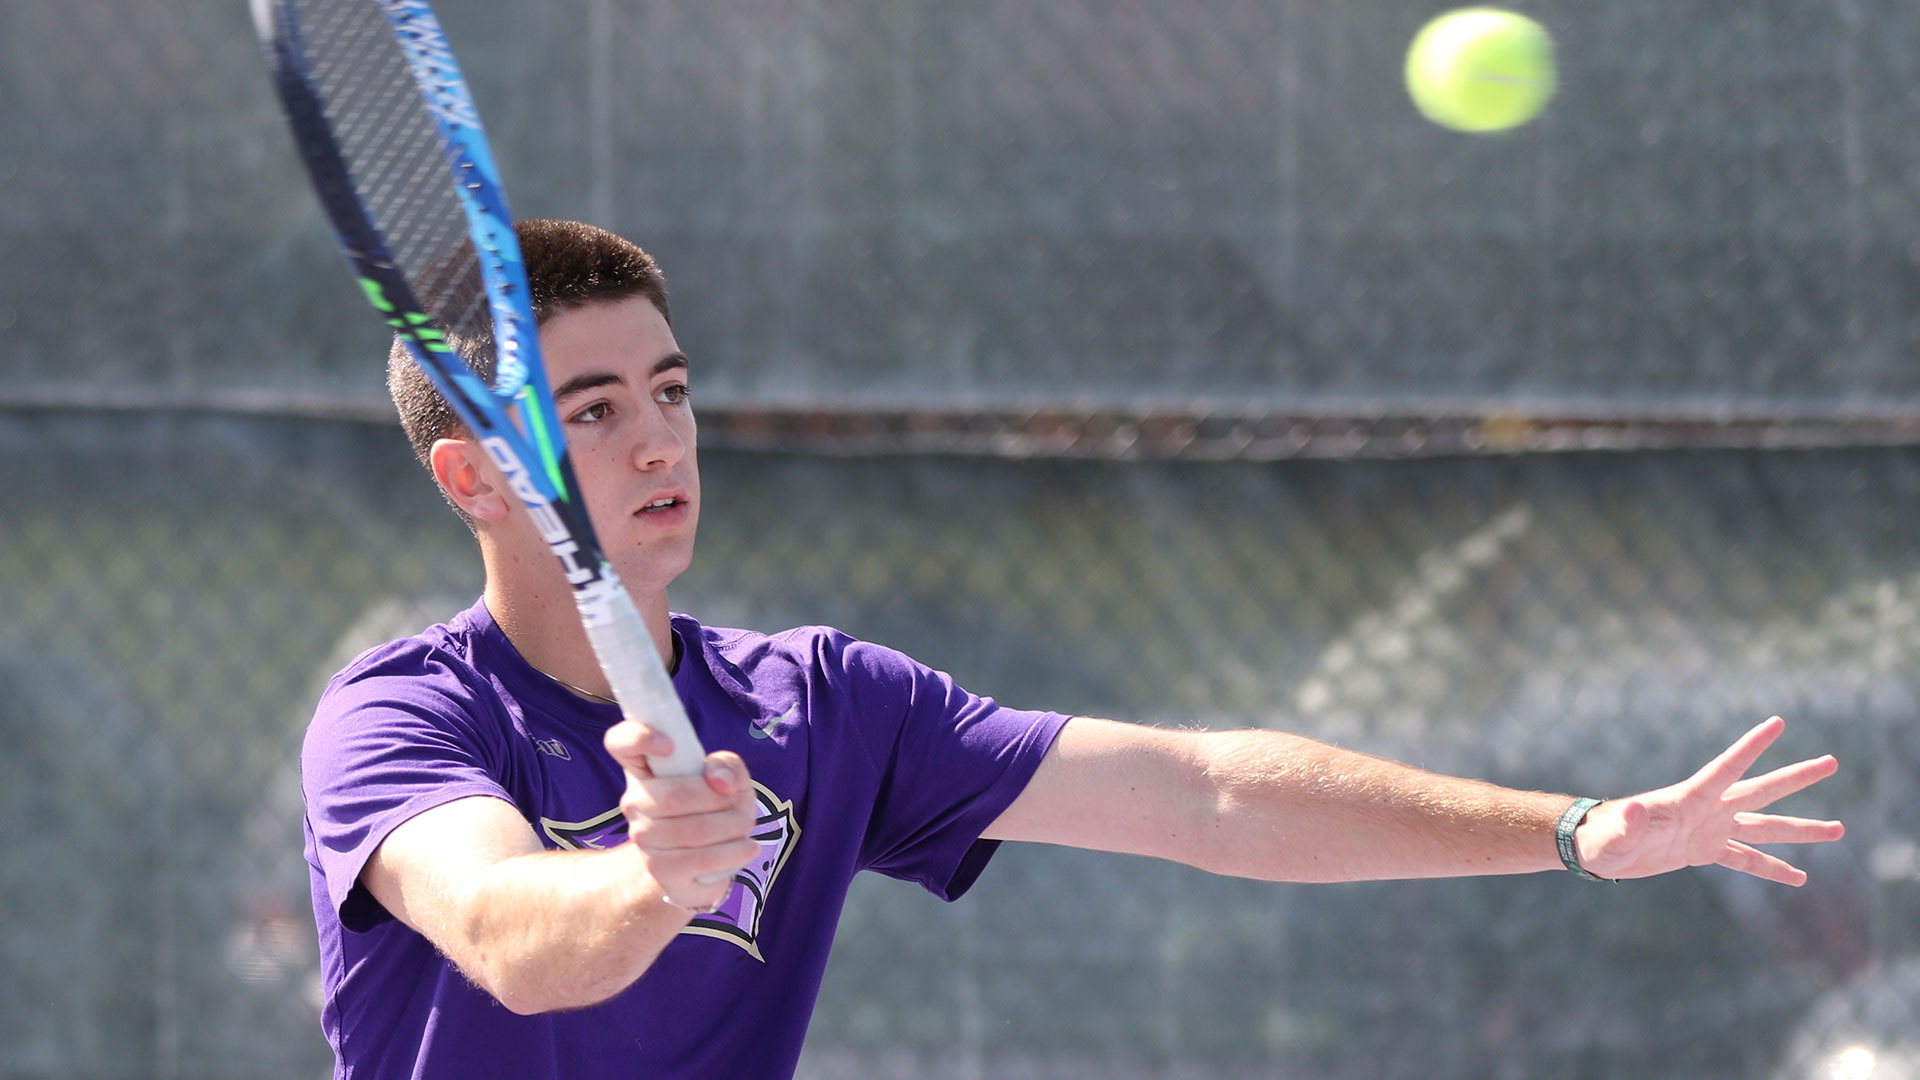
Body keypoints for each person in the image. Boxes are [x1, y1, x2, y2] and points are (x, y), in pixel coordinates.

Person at [302, 219, 1846, 1079]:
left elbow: (1204, 795)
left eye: (672, 387)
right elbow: (506, 935)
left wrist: (1575, 830)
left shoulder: (819, 704)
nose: (660, 436)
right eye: (591, 410)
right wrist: (651, 874)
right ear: (473, 477)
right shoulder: (394, 720)